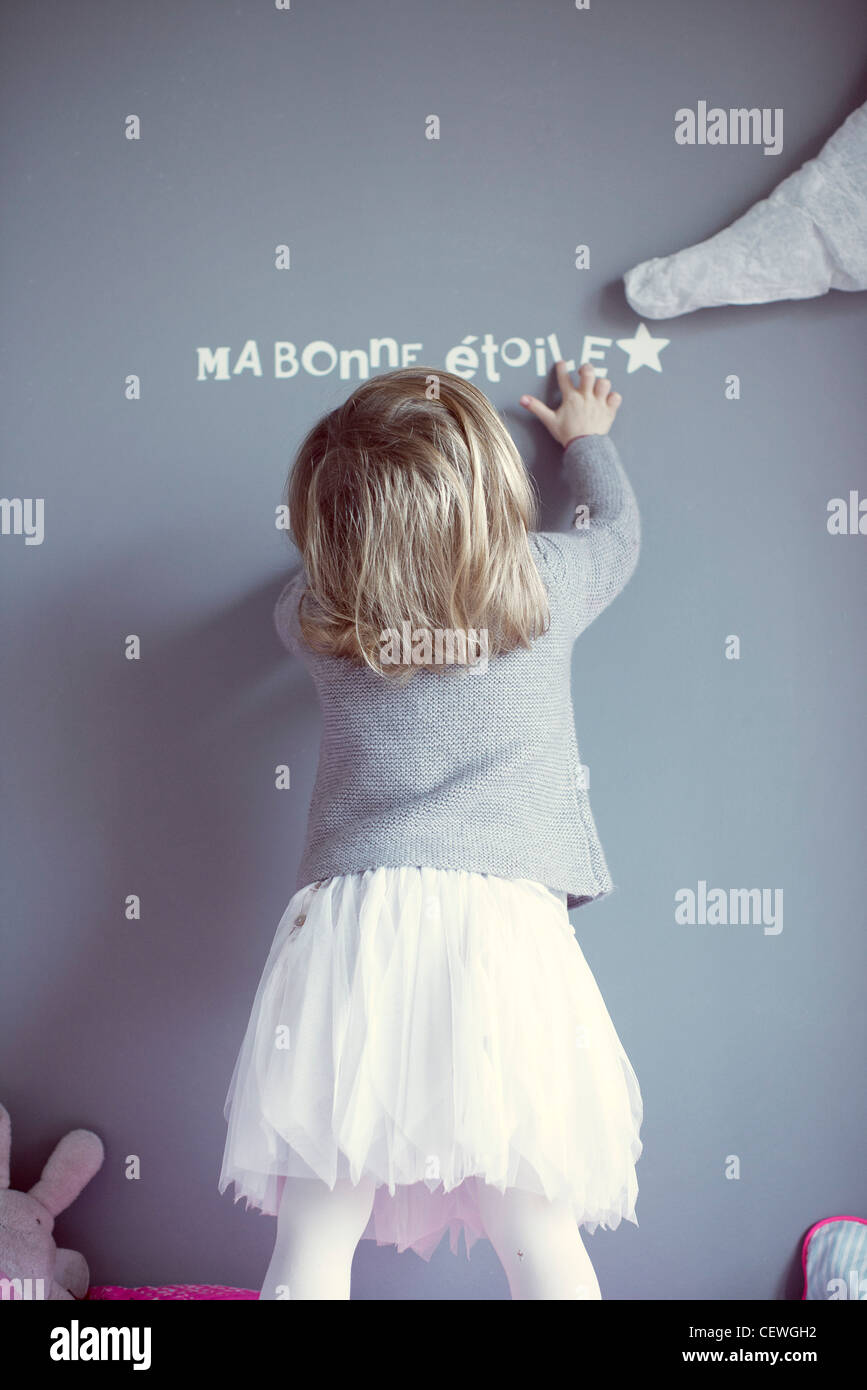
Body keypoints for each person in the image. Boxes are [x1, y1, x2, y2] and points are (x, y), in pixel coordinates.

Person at [218, 360, 644, 1300]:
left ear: (328, 521)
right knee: (534, 1228)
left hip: (352, 925)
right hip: (500, 929)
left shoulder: (317, 613)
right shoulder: (549, 583)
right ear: (492, 484)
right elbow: (617, 535)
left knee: (315, 1232)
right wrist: (588, 442)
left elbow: (327, 583)